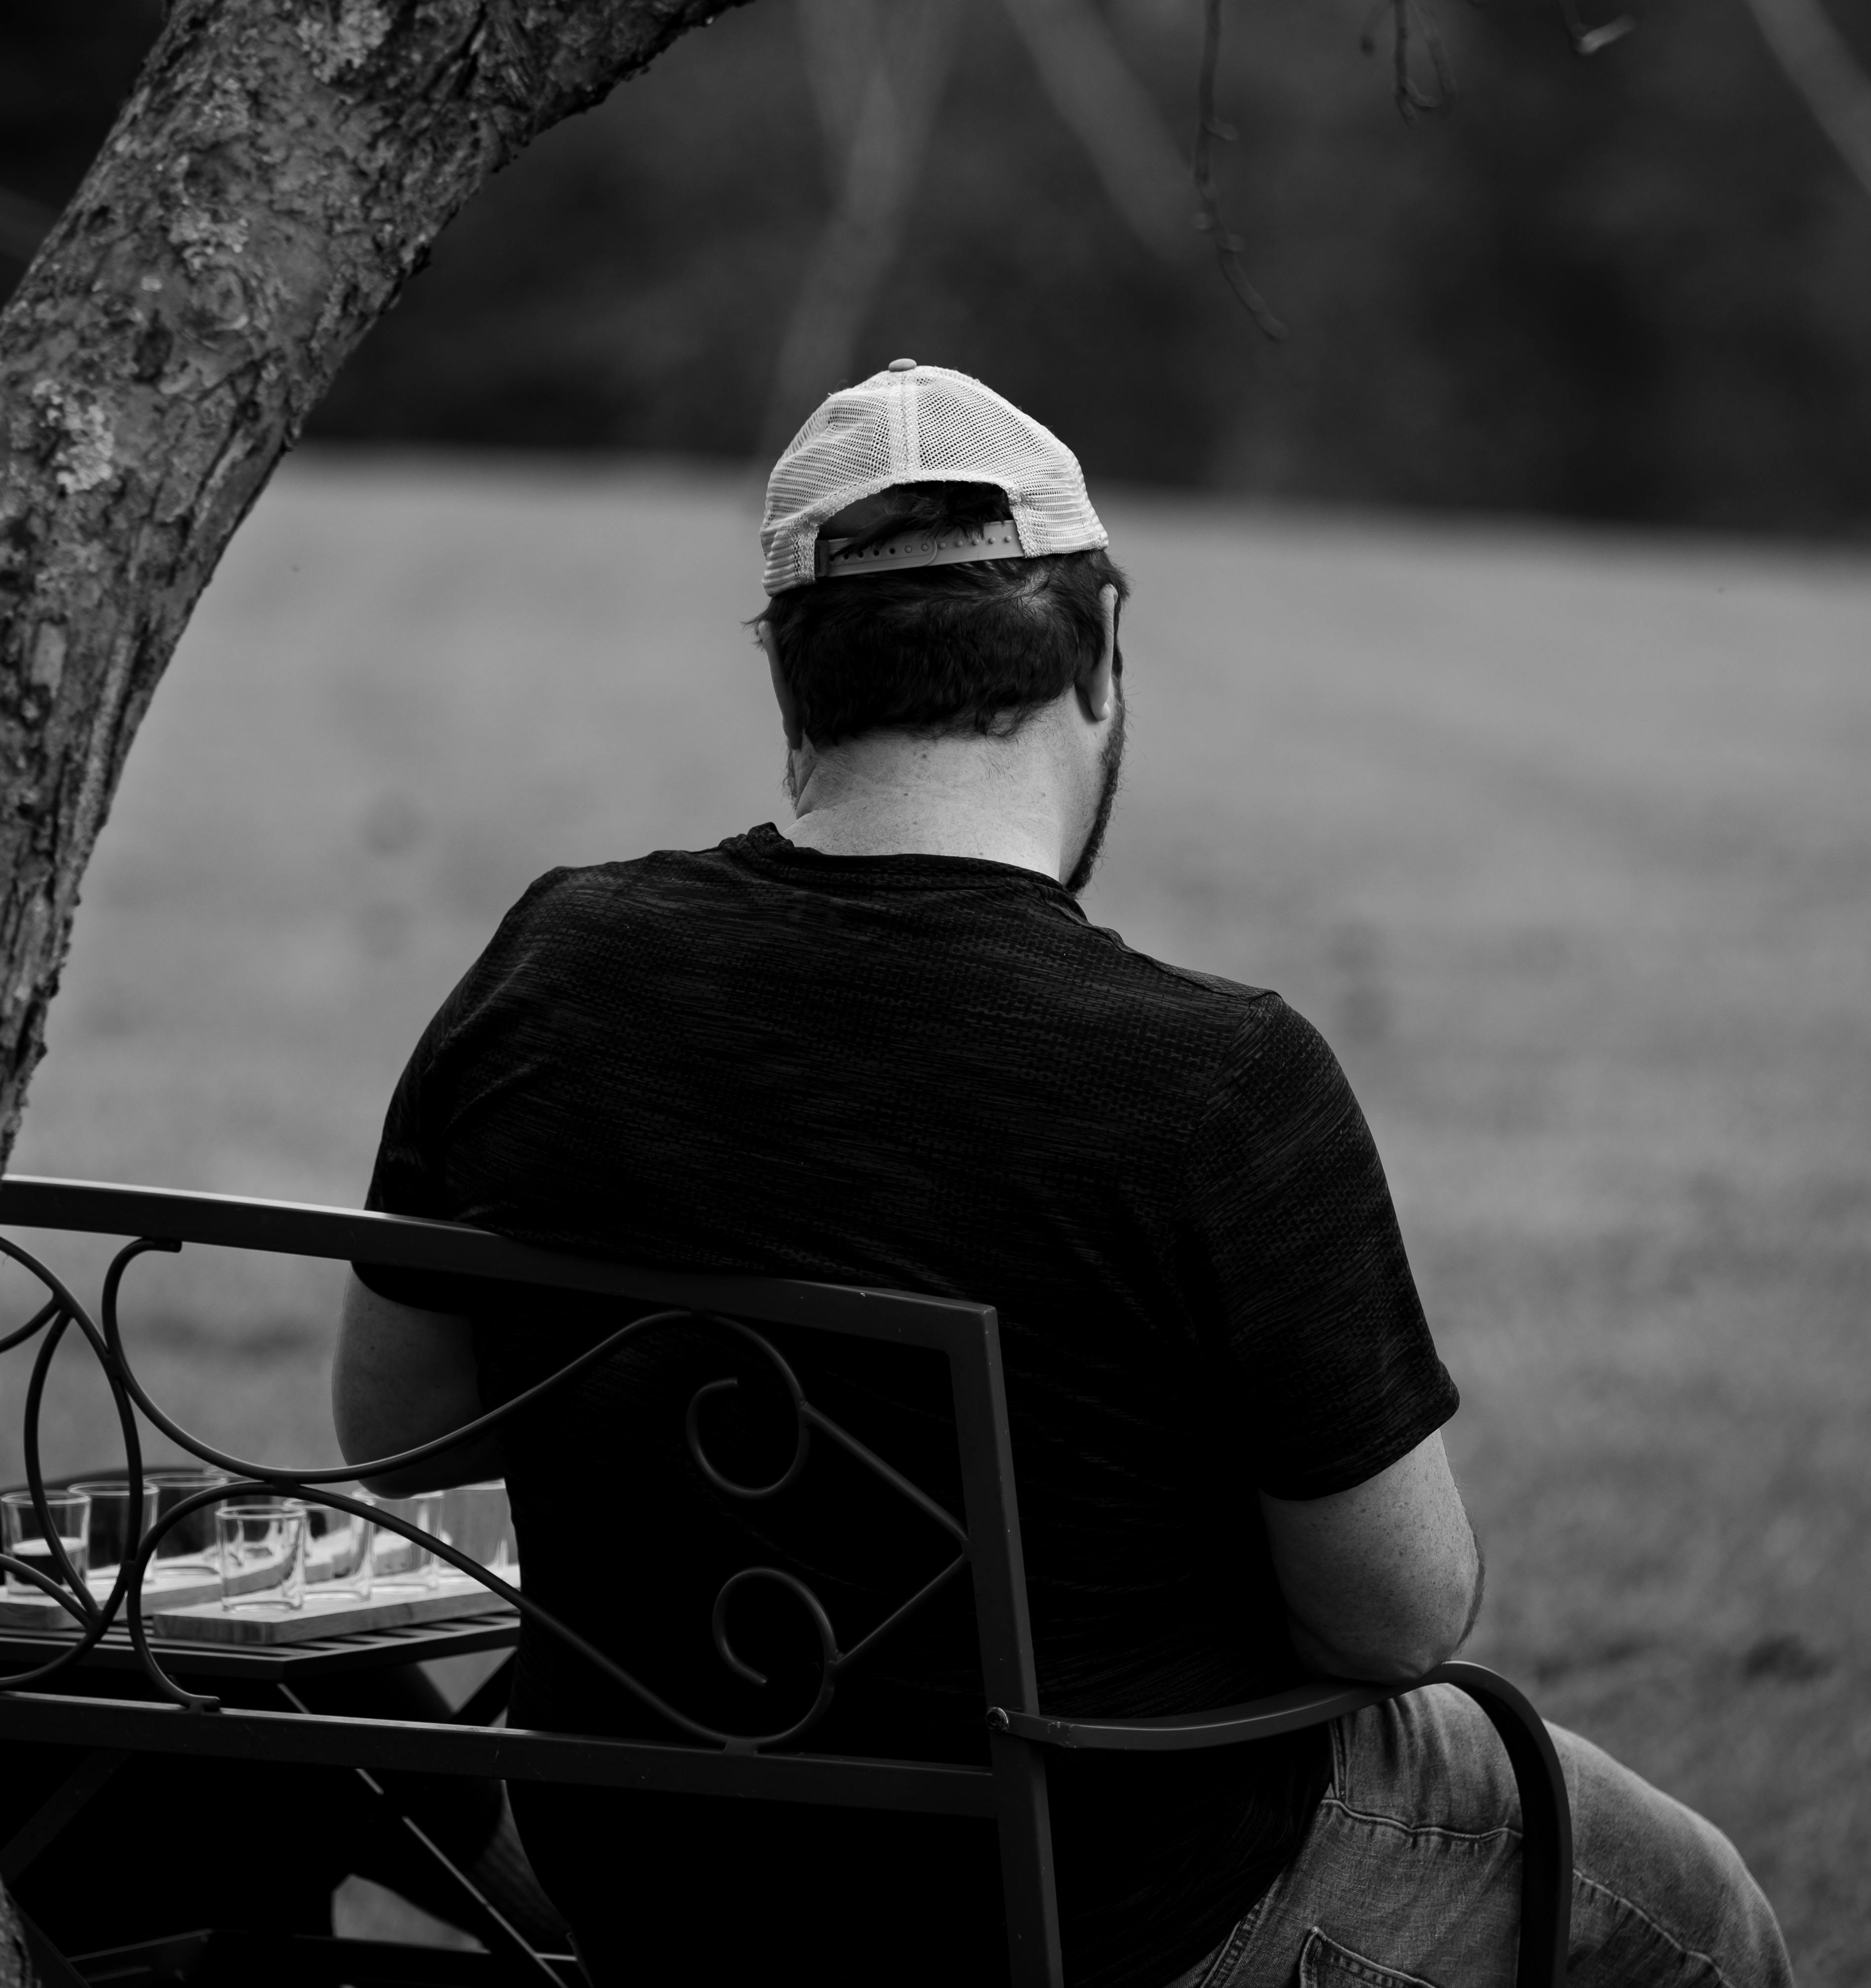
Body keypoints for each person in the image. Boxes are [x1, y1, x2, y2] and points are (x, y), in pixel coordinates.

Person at [333, 359, 1791, 1988]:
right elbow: (1395, 1622)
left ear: (791, 677)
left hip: (648, 1868)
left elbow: (395, 1432)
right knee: (1697, 1912)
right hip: (1094, 1903)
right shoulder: (1214, 1081)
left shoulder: (555, 964)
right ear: (1099, 654)